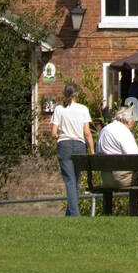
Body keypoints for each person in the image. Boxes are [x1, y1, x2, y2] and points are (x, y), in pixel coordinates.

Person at [97, 105, 138, 215]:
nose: (133, 125)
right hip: (120, 179)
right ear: (128, 121)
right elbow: (136, 158)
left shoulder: (104, 130)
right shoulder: (124, 131)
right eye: (133, 122)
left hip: (106, 178)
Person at [51, 82, 93, 217]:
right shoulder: (83, 109)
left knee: (70, 180)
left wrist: (58, 135)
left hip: (64, 145)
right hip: (80, 145)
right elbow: (87, 132)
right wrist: (92, 149)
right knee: (75, 180)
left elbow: (53, 132)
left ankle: (74, 214)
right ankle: (72, 214)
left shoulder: (59, 109)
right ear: (77, 94)